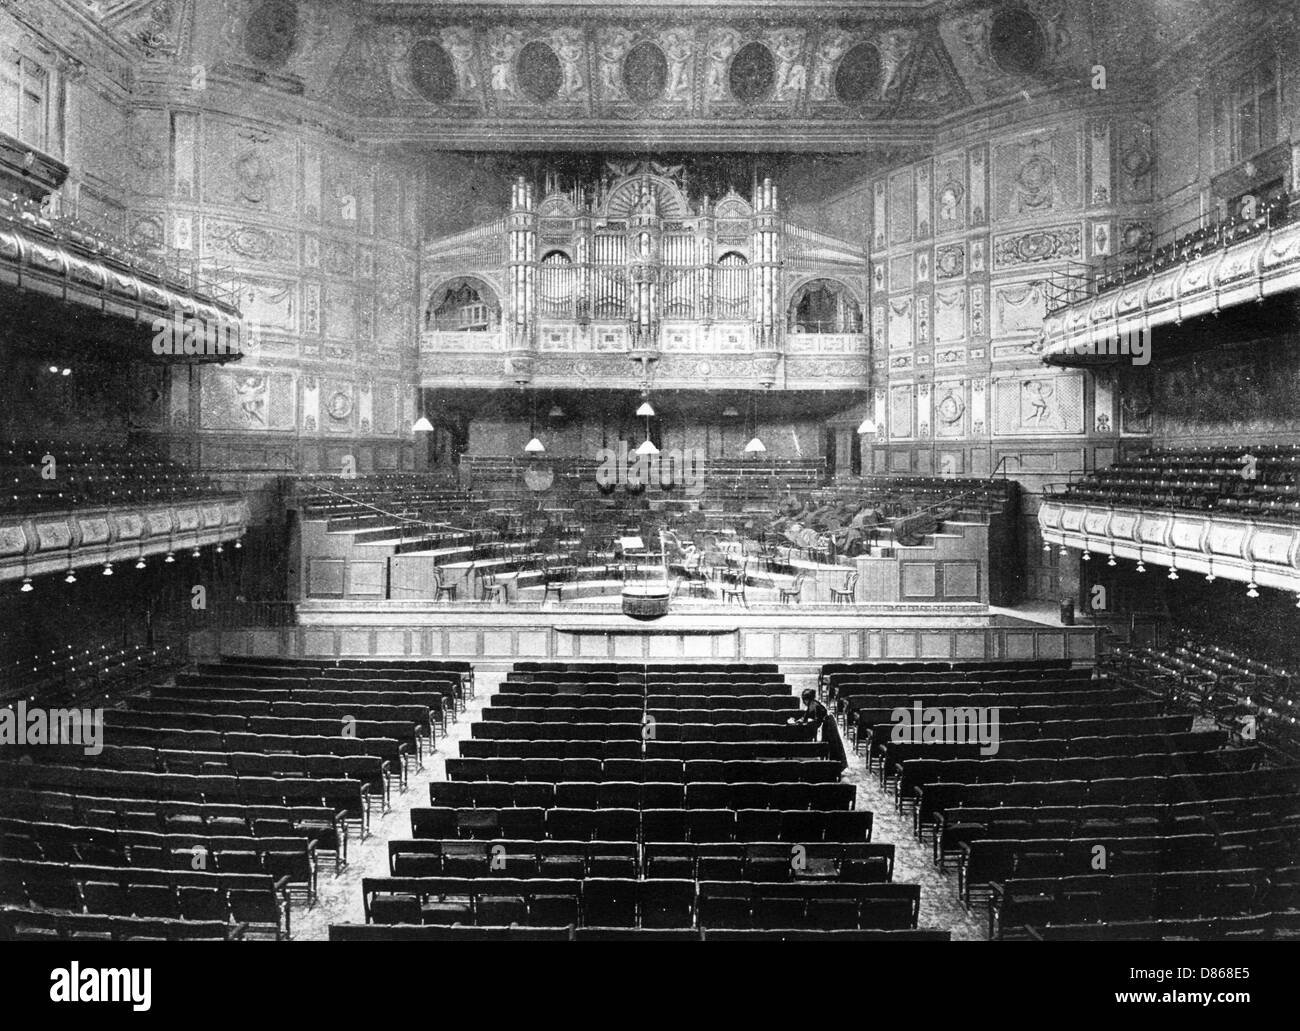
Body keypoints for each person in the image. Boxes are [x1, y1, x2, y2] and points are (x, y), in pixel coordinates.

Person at [788, 687, 848, 773]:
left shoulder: (813, 705)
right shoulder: (812, 704)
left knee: (833, 745)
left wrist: (802, 723)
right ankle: (834, 767)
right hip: (827, 723)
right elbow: (806, 716)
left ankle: (836, 767)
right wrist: (798, 721)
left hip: (829, 724)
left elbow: (816, 721)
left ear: (806, 700)